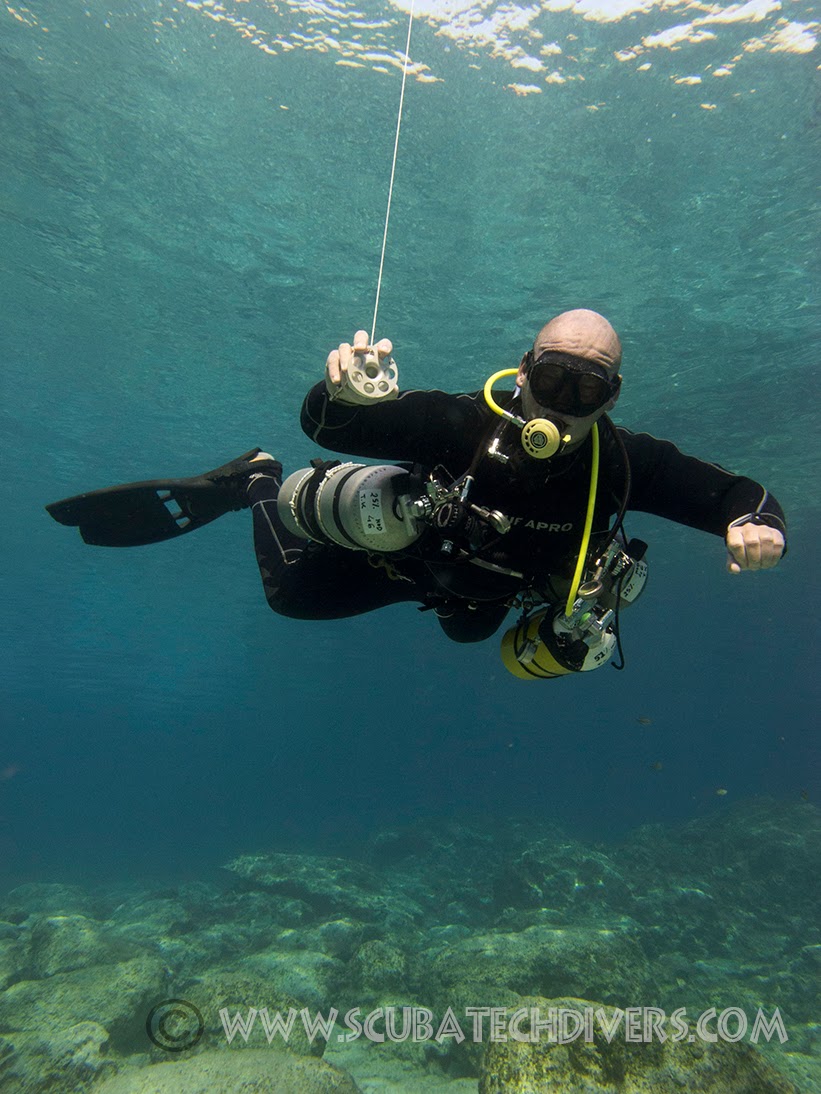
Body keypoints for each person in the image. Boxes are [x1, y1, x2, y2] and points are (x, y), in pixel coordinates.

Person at [47, 310, 786, 679]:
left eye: (586, 387)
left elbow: (736, 493)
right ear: (522, 370)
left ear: (610, 396)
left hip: (479, 594)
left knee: (467, 633)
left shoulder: (627, 465)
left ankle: (447, 600)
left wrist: (756, 525)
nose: (563, 403)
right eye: (554, 377)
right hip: (401, 556)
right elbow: (329, 426)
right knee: (290, 600)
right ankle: (258, 483)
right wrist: (340, 393)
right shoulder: (460, 422)